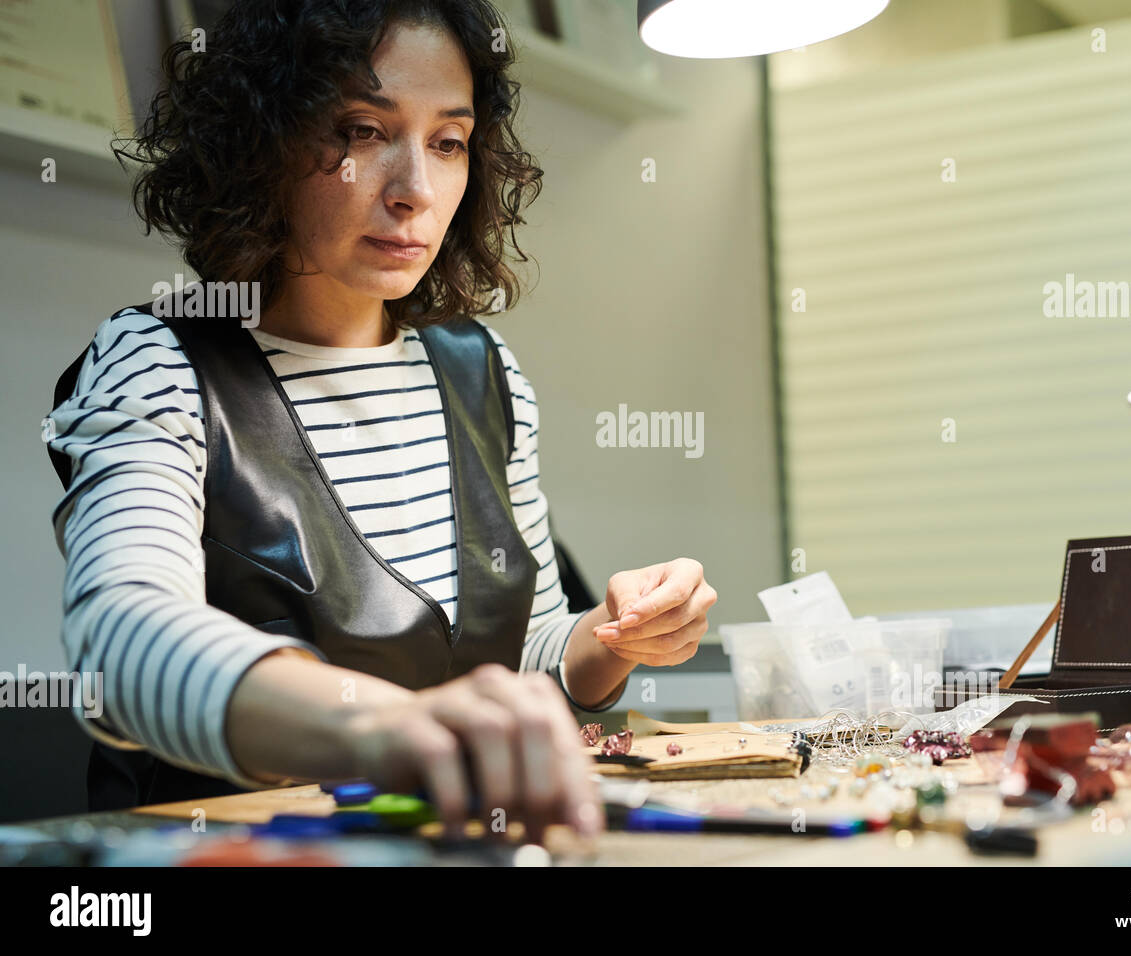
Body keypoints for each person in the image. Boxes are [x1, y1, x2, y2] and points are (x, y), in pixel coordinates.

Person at [42, 0, 716, 842]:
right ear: (263, 140)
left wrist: (613, 638)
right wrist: (384, 727)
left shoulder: (481, 369)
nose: (415, 191)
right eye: (363, 131)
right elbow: (122, 640)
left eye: (448, 142)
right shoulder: (158, 362)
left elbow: (521, 651)